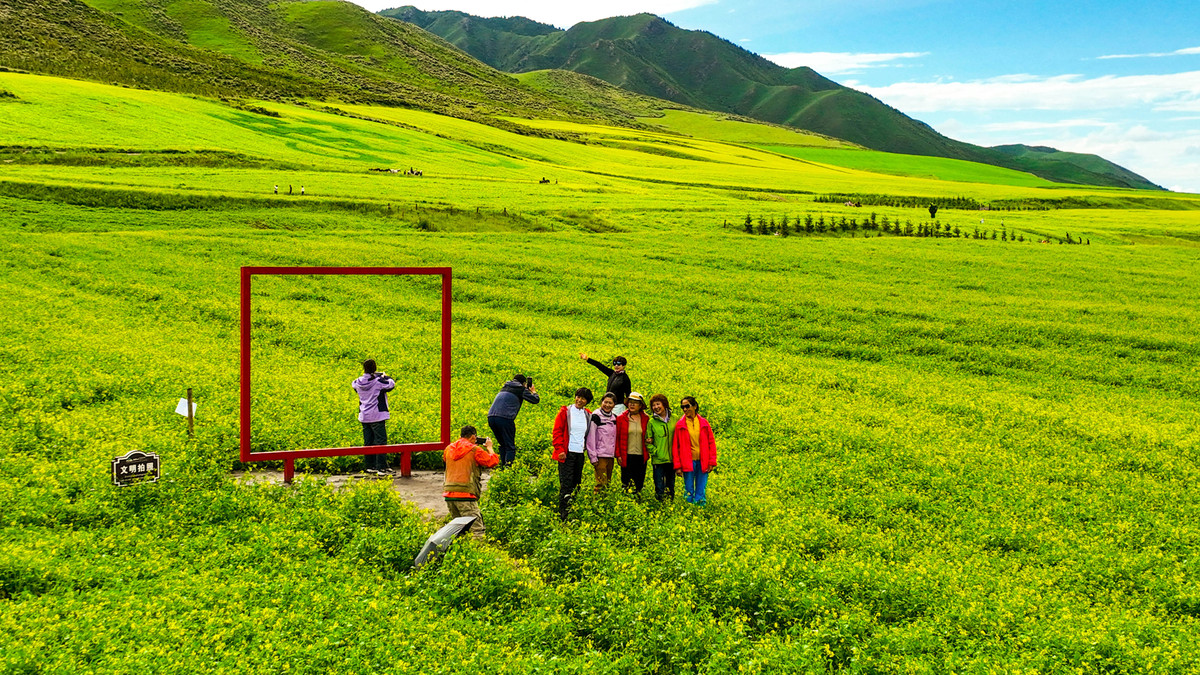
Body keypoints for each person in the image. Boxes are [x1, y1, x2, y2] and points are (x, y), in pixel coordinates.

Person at [442, 425, 499, 539]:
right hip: (466, 494)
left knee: (458, 530)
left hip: (449, 494)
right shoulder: (475, 450)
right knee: (477, 531)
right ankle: (479, 553)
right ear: (473, 437)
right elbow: (492, 461)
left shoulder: (448, 449)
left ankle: (459, 552)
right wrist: (490, 447)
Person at [552, 387, 593, 521]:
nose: (579, 400)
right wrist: (560, 450)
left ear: (587, 401)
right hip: (566, 452)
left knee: (577, 482)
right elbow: (557, 431)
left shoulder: (588, 414)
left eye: (583, 398)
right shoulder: (565, 412)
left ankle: (572, 510)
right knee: (566, 484)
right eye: (578, 397)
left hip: (579, 453)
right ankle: (563, 514)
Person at [486, 374, 540, 468]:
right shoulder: (521, 389)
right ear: (523, 384)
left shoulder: (505, 386)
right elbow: (535, 400)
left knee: (503, 444)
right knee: (510, 446)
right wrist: (533, 391)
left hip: (491, 417)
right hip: (505, 418)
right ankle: (509, 468)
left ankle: (503, 468)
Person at [352, 359, 394, 476]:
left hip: (364, 415)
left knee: (368, 441)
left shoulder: (357, 382)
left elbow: (355, 386)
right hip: (377, 415)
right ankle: (381, 468)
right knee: (380, 441)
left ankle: (370, 466)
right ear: (374, 368)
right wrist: (385, 376)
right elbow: (391, 384)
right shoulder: (378, 381)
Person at [672, 396, 716, 505]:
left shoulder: (704, 423)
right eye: (683, 407)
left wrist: (711, 462)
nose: (685, 409)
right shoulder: (680, 425)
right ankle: (689, 508)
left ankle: (700, 508)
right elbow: (675, 447)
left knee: (701, 488)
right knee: (689, 489)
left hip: (703, 461)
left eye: (687, 406)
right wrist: (677, 466)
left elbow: (711, 443)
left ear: (695, 406)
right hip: (688, 462)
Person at [616, 392, 650, 495]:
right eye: (630, 402)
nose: (632, 405)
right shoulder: (621, 418)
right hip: (626, 455)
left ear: (640, 406)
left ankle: (637, 500)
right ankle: (627, 501)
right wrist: (618, 455)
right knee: (626, 481)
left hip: (641, 455)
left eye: (635, 403)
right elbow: (616, 438)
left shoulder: (646, 419)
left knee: (639, 481)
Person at [586, 392, 620, 492]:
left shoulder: (615, 418)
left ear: (614, 405)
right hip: (600, 455)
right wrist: (593, 456)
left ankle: (605, 504)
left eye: (610, 403)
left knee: (608, 482)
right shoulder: (596, 416)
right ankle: (597, 504)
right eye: (605, 402)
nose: (607, 405)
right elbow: (591, 438)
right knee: (600, 483)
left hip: (610, 455)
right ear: (601, 402)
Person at [645, 394, 675, 501]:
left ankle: (670, 505)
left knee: (670, 485)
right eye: (653, 405)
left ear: (664, 404)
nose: (656, 407)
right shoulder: (651, 422)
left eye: (658, 404)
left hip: (671, 459)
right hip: (658, 459)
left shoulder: (674, 419)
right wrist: (655, 452)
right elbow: (648, 441)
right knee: (659, 485)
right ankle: (660, 504)